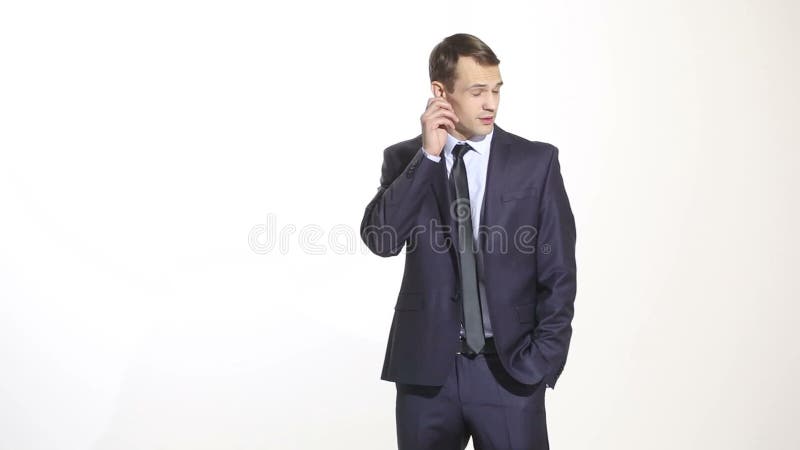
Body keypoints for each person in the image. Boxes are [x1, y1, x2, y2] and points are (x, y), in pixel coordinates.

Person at [360, 33, 577, 450]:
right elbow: (382, 239)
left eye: (495, 90)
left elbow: (559, 272)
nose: (490, 103)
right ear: (441, 93)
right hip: (426, 375)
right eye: (477, 91)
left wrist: (540, 360)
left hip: (509, 371)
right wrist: (428, 158)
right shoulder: (405, 159)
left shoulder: (536, 162)